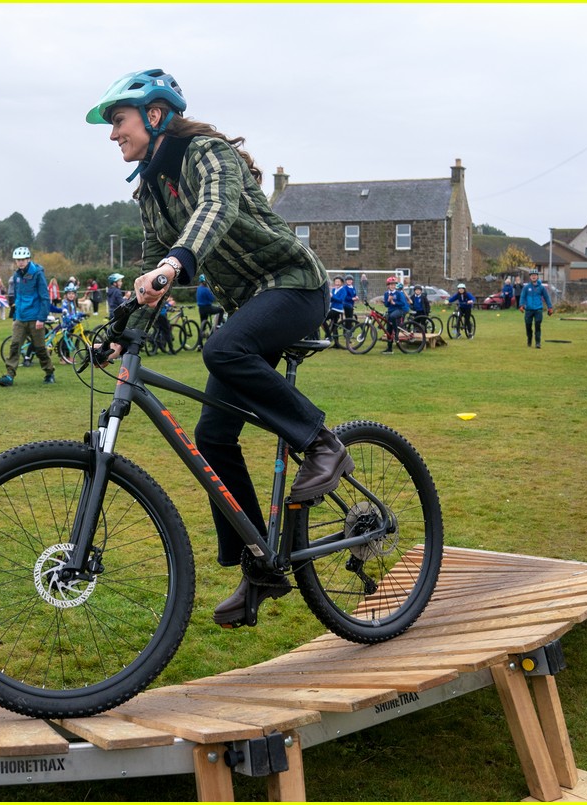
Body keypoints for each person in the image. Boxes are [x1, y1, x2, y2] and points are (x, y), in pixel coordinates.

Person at [88, 67, 346, 626]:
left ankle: (323, 443)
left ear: (155, 116)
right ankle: (261, 566)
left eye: (119, 121)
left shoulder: (206, 152)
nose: (113, 134)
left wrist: (177, 261)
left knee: (223, 349)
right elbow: (151, 259)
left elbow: (214, 211)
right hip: (250, 301)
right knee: (211, 433)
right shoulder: (150, 189)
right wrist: (118, 325)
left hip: (293, 285)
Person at [0, 246, 56, 386]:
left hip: (35, 318)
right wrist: (16, 315)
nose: (20, 262)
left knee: (40, 348)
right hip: (20, 318)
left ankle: (49, 372)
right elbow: (17, 296)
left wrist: (41, 318)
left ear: (28, 259)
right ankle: (9, 376)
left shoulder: (38, 274)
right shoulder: (16, 276)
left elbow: (45, 298)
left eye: (23, 260)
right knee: (15, 345)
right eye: (18, 260)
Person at [518, 269, 553, 348]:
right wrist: (521, 305)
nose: (533, 277)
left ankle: (538, 343)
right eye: (532, 275)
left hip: (538, 309)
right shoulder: (526, 288)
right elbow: (522, 297)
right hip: (529, 310)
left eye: (535, 275)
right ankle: (529, 339)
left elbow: (547, 298)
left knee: (537, 325)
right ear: (530, 277)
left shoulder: (541, 288)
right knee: (528, 326)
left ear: (537, 276)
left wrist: (550, 307)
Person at [381, 276, 410, 353]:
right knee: (388, 330)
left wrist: (394, 303)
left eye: (394, 284)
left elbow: (402, 303)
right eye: (391, 284)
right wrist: (388, 300)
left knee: (393, 316)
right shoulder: (386, 294)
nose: (393, 286)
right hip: (391, 311)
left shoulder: (399, 293)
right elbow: (386, 305)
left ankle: (396, 334)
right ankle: (389, 349)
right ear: (388, 286)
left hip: (400, 310)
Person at [324, 275, 347, 344]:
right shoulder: (334, 289)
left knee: (323, 320)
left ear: (342, 283)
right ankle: (336, 344)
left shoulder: (343, 290)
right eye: (336, 282)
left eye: (338, 282)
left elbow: (341, 300)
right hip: (333, 308)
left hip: (337, 309)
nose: (337, 283)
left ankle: (328, 336)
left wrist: (332, 296)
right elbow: (332, 300)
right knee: (334, 326)